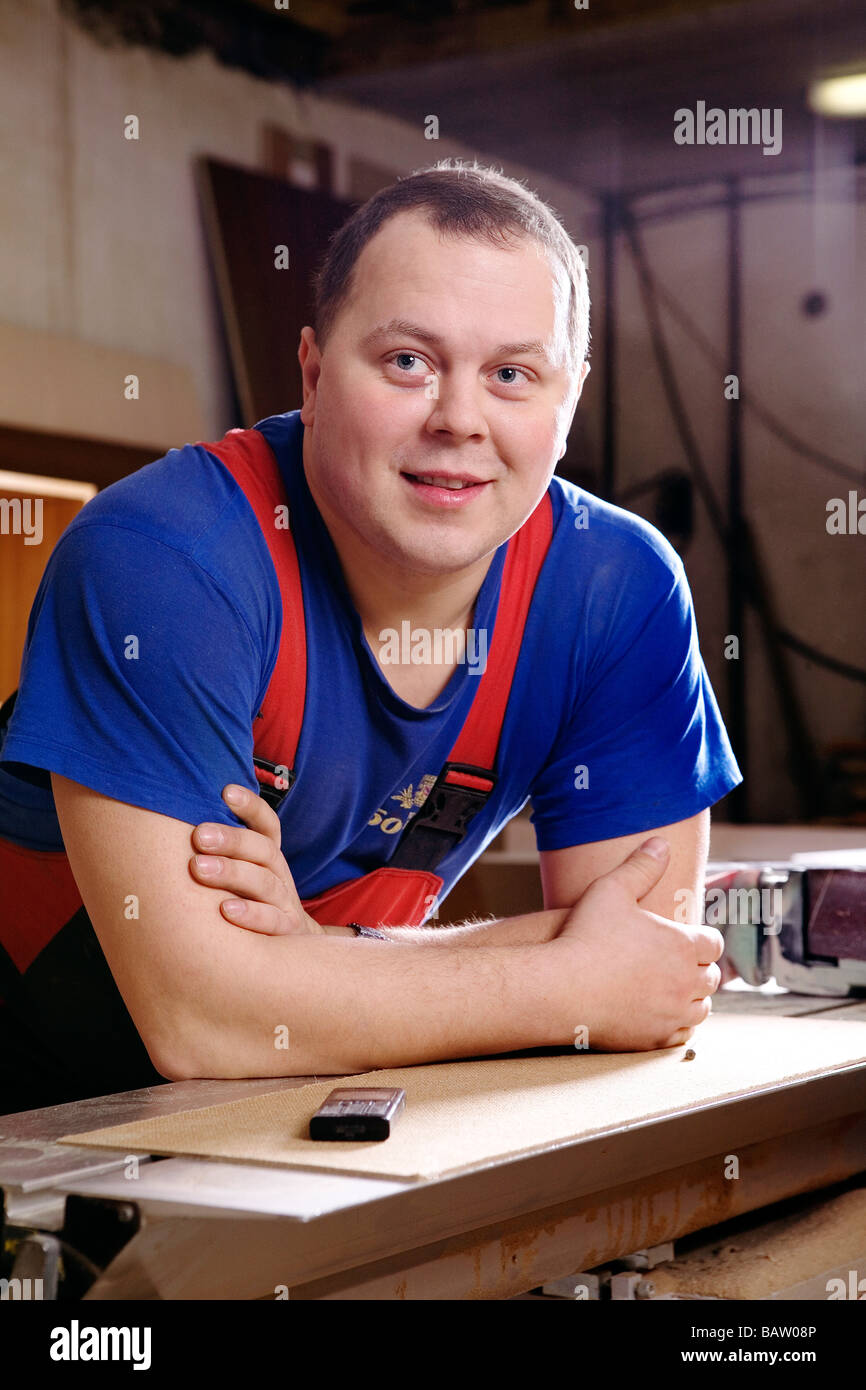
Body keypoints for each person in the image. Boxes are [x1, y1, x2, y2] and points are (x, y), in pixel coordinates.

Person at [0, 159, 738, 1113]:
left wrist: (313, 957)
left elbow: (647, 956)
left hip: (278, 1114)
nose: (460, 421)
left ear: (569, 401)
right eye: (408, 363)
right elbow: (202, 1019)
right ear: (311, 372)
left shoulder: (617, 586)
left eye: (512, 374)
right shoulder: (166, 558)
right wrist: (558, 979)